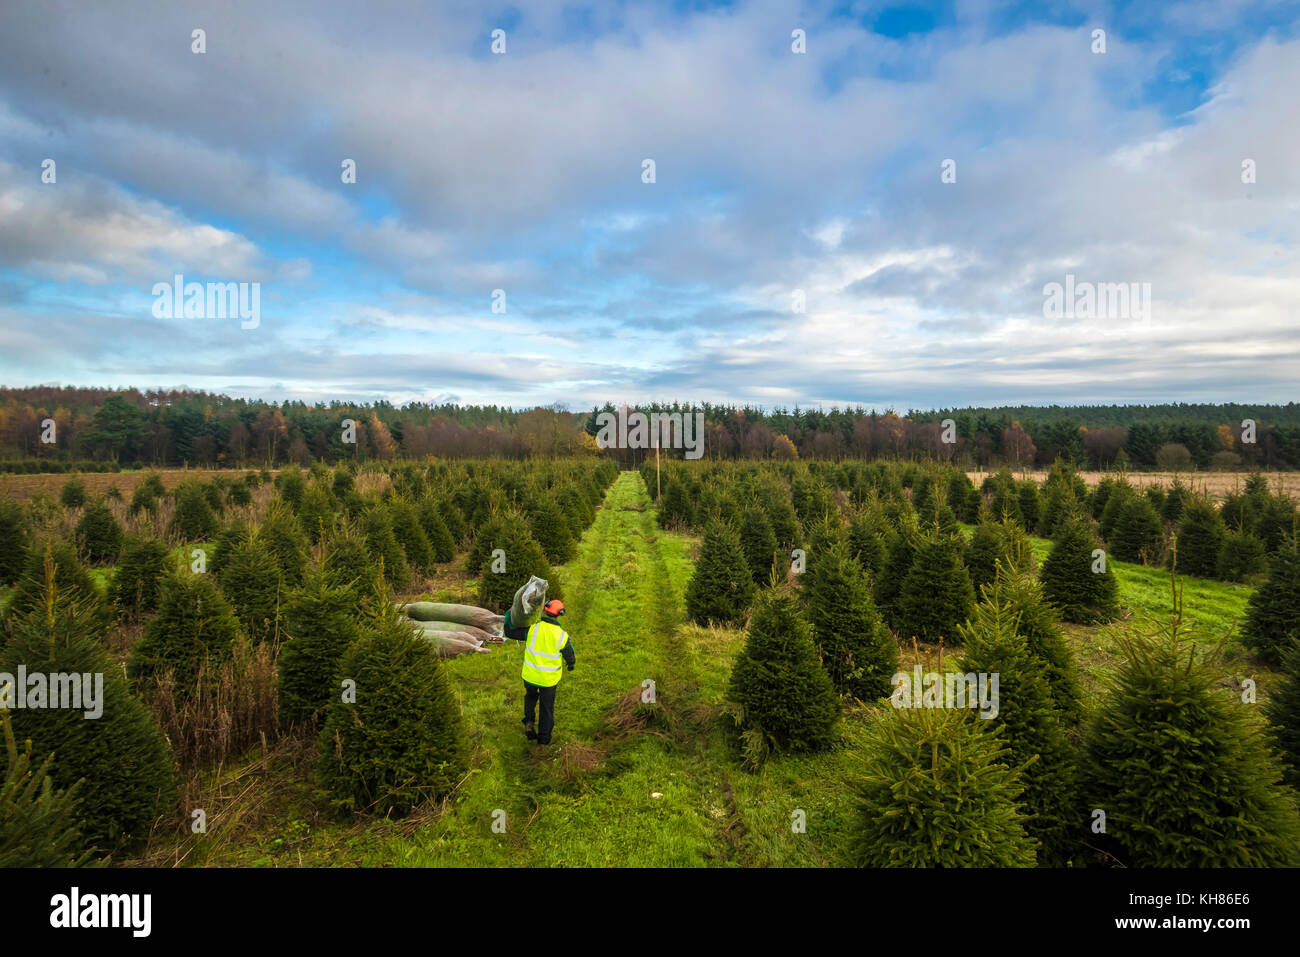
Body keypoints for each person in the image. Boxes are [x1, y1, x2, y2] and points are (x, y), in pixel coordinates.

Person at [503, 598, 574, 745]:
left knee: (530, 696)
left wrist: (510, 612)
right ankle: (544, 739)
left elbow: (509, 631)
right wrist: (571, 664)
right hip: (548, 680)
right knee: (546, 707)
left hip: (529, 676)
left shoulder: (532, 629)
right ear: (559, 615)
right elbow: (570, 654)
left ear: (545, 610)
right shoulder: (561, 635)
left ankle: (529, 721)